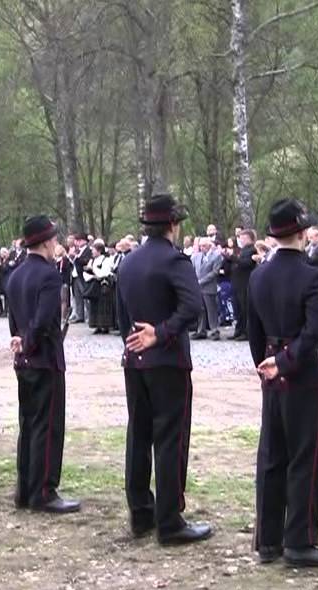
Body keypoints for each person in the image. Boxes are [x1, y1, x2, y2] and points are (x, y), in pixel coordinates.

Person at [115, 194, 212, 545]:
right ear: (172, 225)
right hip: (167, 360)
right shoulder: (175, 261)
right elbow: (193, 307)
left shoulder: (128, 262)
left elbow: (121, 313)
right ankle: (170, 520)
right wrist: (161, 332)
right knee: (169, 439)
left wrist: (135, 338)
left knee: (138, 436)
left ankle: (141, 512)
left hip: (134, 359)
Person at [246, 201, 318, 568]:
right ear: (300, 233)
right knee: (306, 455)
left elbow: (253, 332)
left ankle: (268, 539)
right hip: (301, 373)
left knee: (272, 455)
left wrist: (266, 366)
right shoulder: (312, 275)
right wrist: (285, 364)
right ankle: (300, 540)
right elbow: (312, 332)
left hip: (270, 368)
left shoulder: (258, 276)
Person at [6, 215, 81, 514]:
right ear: (47, 242)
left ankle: (25, 488)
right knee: (47, 426)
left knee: (28, 423)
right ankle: (44, 490)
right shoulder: (49, 276)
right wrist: (31, 341)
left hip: (23, 359)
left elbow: (15, 319)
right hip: (44, 358)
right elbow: (46, 319)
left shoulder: (15, 275)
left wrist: (19, 340)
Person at [191, 236, 223, 340]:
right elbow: (193, 269)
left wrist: (201, 281)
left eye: (204, 246)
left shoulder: (216, 256)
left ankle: (214, 330)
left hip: (209, 287)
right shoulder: (196, 256)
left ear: (209, 246)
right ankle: (201, 330)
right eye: (200, 246)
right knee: (200, 310)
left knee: (211, 309)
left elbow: (214, 272)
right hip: (198, 287)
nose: (201, 248)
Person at [229, 229, 257, 340]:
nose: (241, 240)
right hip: (237, 282)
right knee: (238, 309)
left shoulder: (252, 250)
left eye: (243, 238)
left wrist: (233, 257)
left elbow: (247, 263)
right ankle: (238, 330)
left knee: (245, 308)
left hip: (245, 282)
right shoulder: (242, 250)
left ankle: (246, 332)